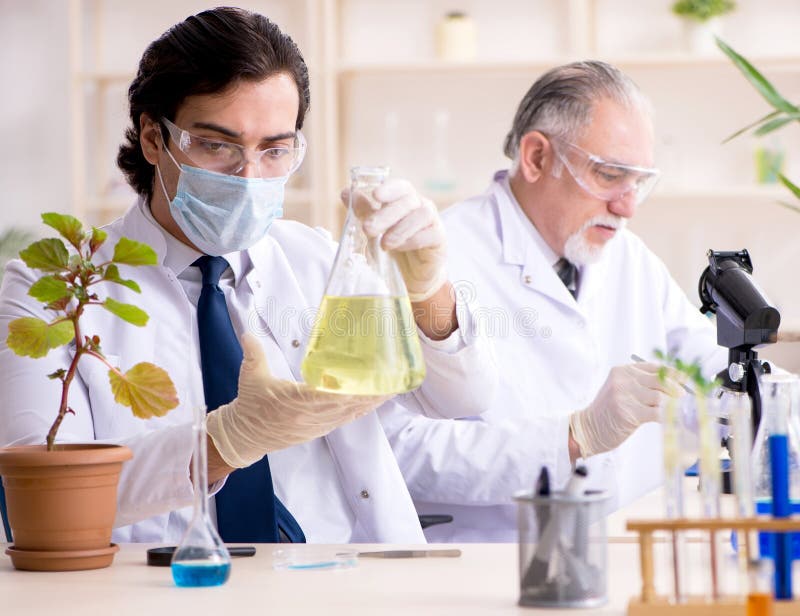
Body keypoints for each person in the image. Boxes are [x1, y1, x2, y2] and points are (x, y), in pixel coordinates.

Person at [0, 7, 496, 544]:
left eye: (275, 149)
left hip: (343, 572)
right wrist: (225, 442)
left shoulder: (317, 262)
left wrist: (427, 290)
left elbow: (461, 400)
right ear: (152, 138)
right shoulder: (53, 292)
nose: (249, 175)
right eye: (216, 145)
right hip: (167, 580)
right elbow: (43, 500)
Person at [379, 60, 729, 542]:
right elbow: (400, 448)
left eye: (638, 182)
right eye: (609, 174)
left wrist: (778, 400)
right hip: (495, 559)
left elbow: (710, 362)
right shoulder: (433, 260)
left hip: (627, 548)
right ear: (537, 158)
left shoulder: (627, 255)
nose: (627, 206)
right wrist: (573, 436)